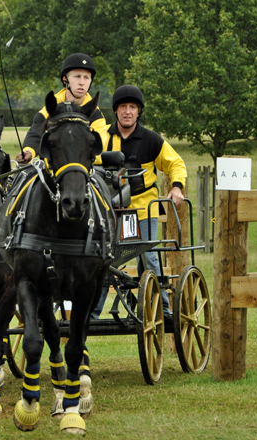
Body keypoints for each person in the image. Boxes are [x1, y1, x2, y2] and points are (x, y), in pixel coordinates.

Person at [91, 85, 187, 321]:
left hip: (143, 209)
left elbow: (176, 163)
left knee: (148, 256)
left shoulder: (152, 139)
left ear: (139, 111)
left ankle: (162, 308)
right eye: (123, 107)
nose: (127, 111)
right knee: (101, 259)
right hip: (109, 211)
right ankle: (91, 313)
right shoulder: (101, 138)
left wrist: (177, 187)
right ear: (115, 111)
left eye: (132, 107)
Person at [16, 53, 107, 163]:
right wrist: (28, 151)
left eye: (86, 78)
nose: (82, 83)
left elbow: (98, 147)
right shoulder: (50, 108)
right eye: (77, 76)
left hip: (83, 170)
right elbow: (36, 132)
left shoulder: (96, 116)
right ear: (65, 79)